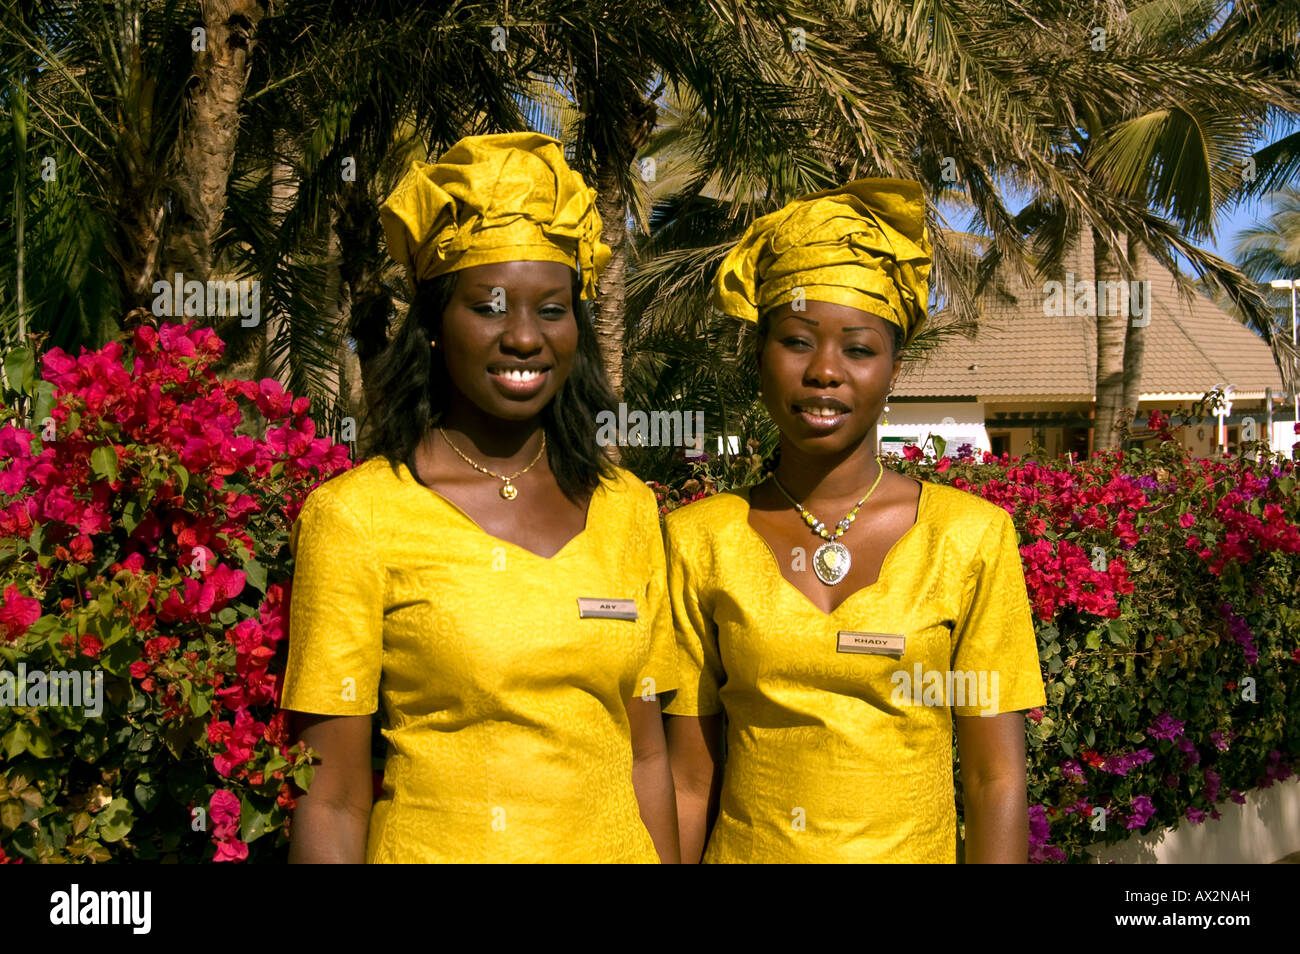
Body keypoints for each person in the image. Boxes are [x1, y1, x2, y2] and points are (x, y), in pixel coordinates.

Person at [281, 132, 679, 863]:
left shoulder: (626, 509)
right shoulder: (358, 517)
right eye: (490, 308)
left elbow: (647, 758)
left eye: (552, 310)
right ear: (434, 325)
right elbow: (332, 799)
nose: (524, 337)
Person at [663, 179, 1047, 863]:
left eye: (859, 349)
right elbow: (690, 781)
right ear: (759, 359)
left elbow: (995, 780)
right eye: (796, 341)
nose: (825, 372)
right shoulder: (700, 540)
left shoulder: (969, 537)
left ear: (895, 368)